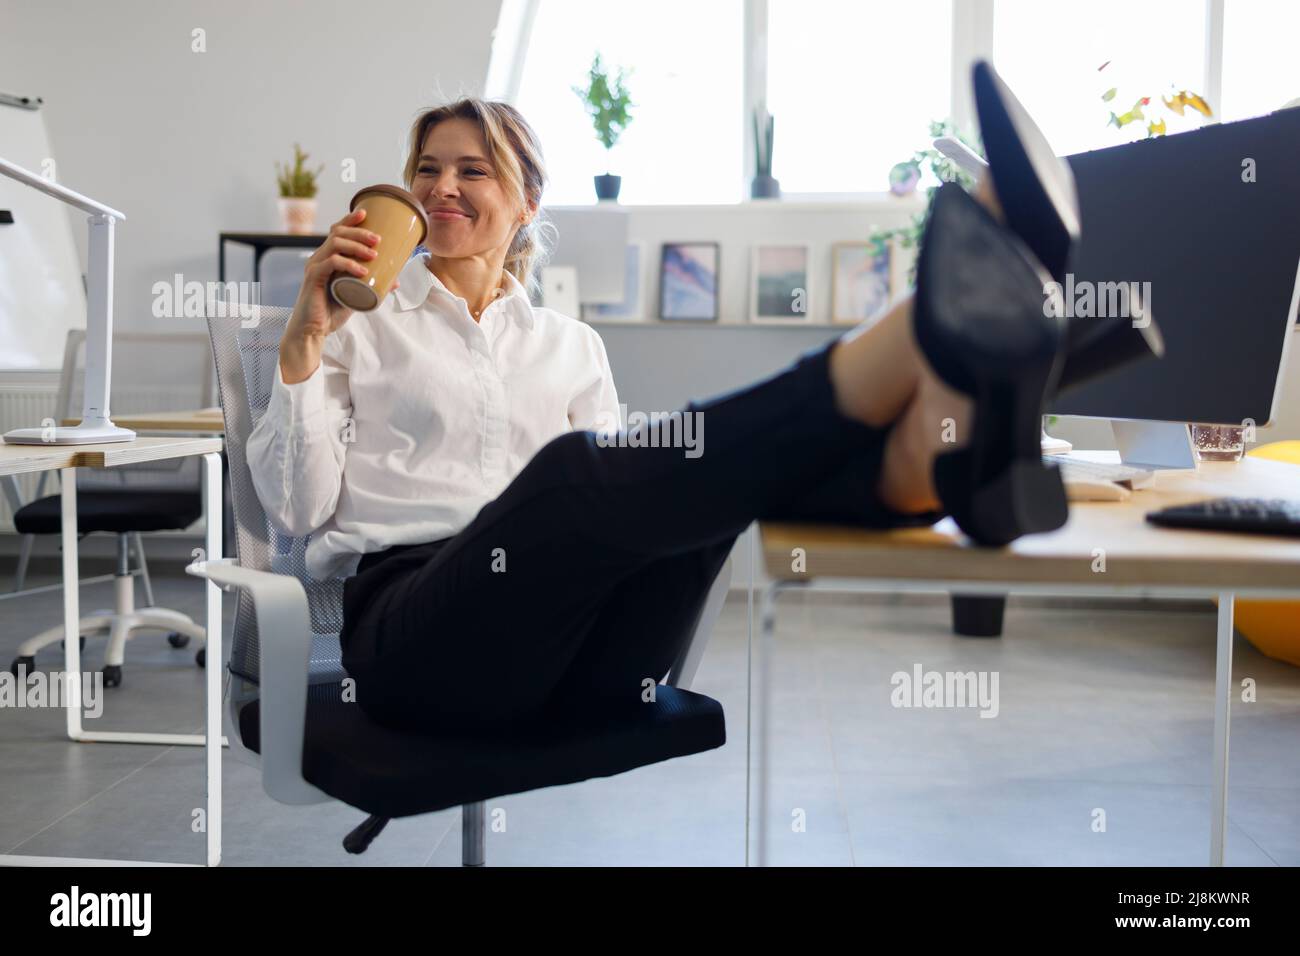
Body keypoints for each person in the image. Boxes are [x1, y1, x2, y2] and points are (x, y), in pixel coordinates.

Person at [247, 62, 1159, 736]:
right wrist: (303, 339)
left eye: (471, 170)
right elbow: (295, 512)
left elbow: (629, 504)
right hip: (416, 642)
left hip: (588, 657)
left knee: (680, 488)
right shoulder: (354, 328)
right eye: (427, 170)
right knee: (576, 481)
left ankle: (917, 459)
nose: (441, 188)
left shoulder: (570, 345)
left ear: (526, 201)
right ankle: (918, 367)